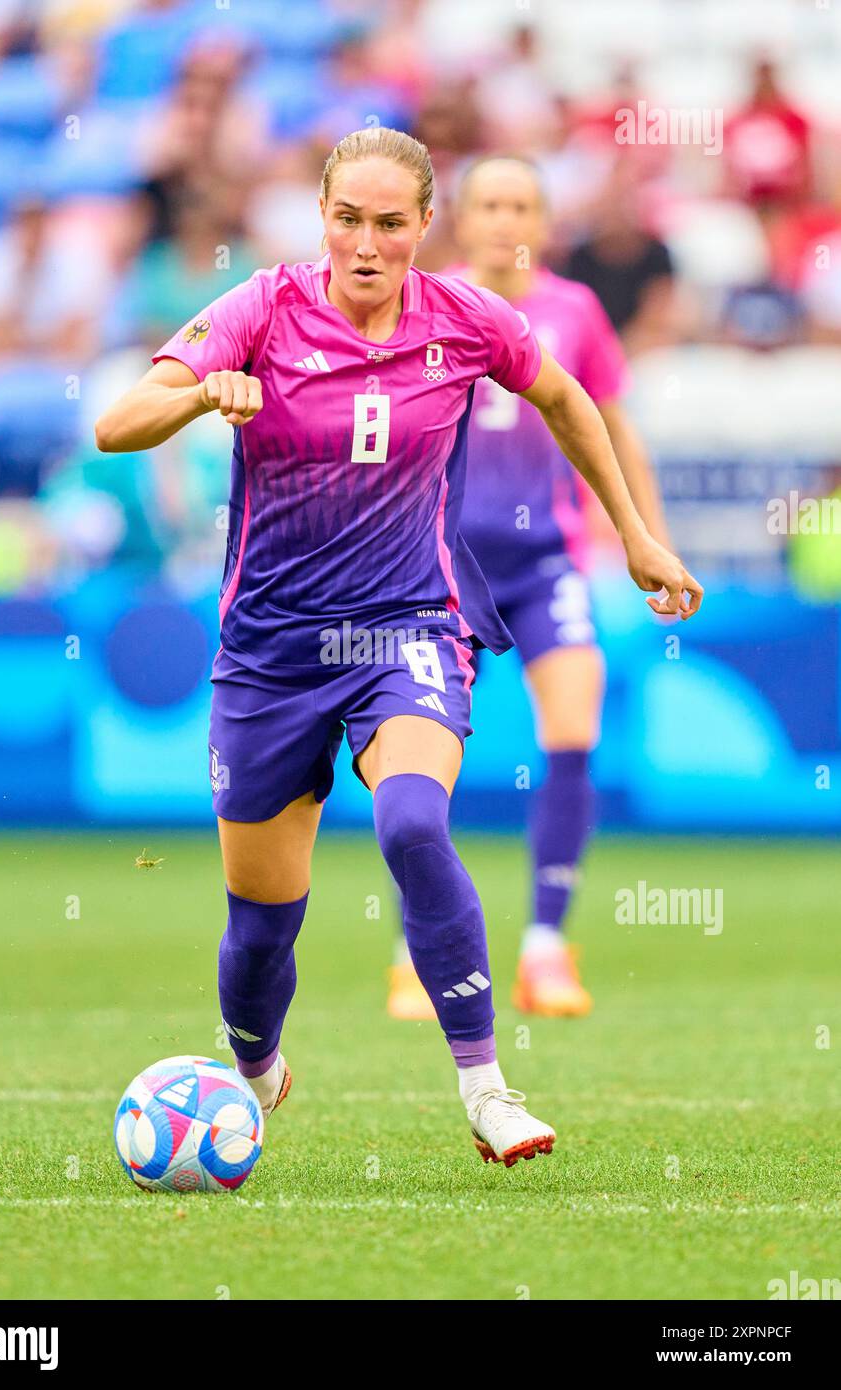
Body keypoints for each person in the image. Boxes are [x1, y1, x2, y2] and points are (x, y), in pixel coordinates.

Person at [95, 128, 702, 1168]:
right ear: (320, 217)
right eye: (346, 220)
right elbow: (116, 423)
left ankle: (487, 1088)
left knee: (414, 821)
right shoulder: (264, 307)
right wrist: (203, 391)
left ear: (427, 226)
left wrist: (637, 534)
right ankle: (253, 1066)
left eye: (388, 224)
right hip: (270, 652)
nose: (365, 244)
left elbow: (566, 397)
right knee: (258, 936)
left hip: (406, 630)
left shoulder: (467, 317)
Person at [387, 157, 672, 1022]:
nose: (507, 218)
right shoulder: (423, 303)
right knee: (417, 752)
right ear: (459, 220)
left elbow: (612, 424)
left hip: (546, 559)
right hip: (438, 565)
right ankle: (416, 951)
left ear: (545, 222)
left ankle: (546, 947)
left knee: (575, 727)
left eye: (523, 205)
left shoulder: (574, 311)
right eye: (491, 204)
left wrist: (643, 536)